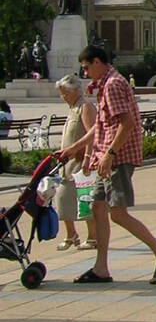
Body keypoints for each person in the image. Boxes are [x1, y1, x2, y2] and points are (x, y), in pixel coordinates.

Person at [57, 44, 156, 285]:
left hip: (118, 157)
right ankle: (101, 268)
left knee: (118, 214)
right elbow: (101, 125)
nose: (85, 73)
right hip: (108, 156)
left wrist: (110, 154)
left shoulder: (113, 84)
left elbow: (127, 123)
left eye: (86, 68)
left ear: (97, 62)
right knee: (98, 208)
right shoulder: (106, 83)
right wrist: (75, 147)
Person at [53, 74, 97, 250]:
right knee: (63, 199)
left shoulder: (85, 107)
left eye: (65, 93)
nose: (63, 97)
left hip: (80, 164)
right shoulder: (73, 107)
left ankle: (93, 237)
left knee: (84, 201)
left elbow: (91, 135)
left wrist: (87, 158)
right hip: (67, 164)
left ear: (75, 90)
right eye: (61, 93)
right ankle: (71, 235)